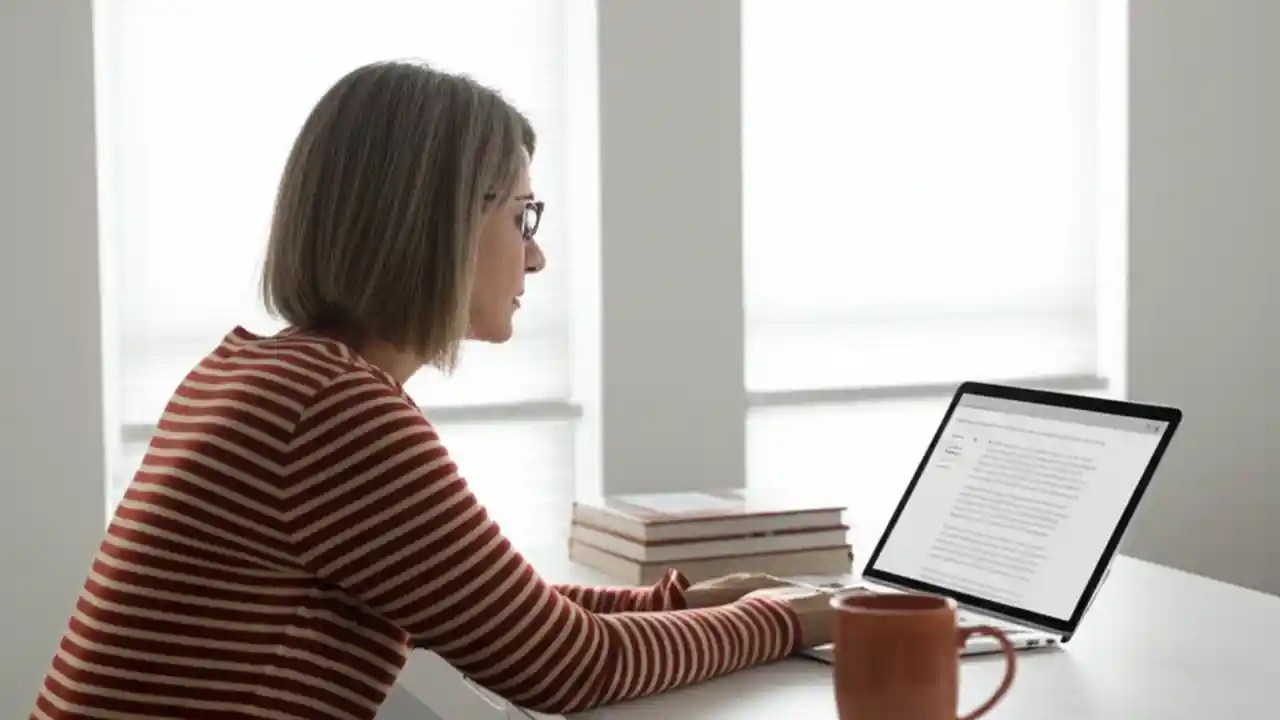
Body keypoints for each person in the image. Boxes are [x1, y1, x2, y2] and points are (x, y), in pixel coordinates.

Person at [31, 61, 835, 720]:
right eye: (523, 217)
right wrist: (791, 619)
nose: (536, 257)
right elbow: (565, 669)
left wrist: (684, 601)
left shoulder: (256, 376)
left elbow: (485, 607)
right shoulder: (334, 414)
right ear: (442, 221)